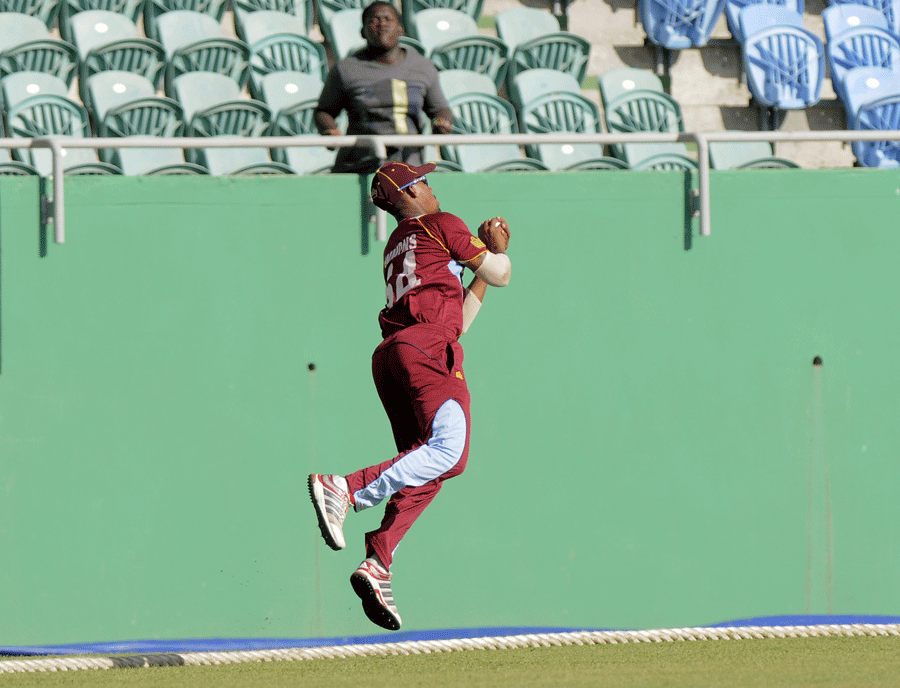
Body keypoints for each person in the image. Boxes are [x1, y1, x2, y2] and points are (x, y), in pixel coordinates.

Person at [308, 161, 511, 631]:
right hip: (424, 348)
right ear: (409, 192)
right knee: (449, 452)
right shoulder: (440, 223)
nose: (430, 186)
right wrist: (496, 252)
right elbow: (501, 273)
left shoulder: (398, 243)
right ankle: (347, 487)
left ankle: (378, 560)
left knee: (430, 465)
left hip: (396, 354)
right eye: (423, 181)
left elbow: (459, 318)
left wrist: (478, 270)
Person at [314, 1, 454, 174]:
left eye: (388, 19)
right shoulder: (346, 69)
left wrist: (441, 123)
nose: (382, 24)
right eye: (374, 20)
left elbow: (440, 109)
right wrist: (329, 130)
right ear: (362, 32)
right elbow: (324, 110)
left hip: (408, 169)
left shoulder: (423, 67)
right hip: (358, 168)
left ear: (400, 28)